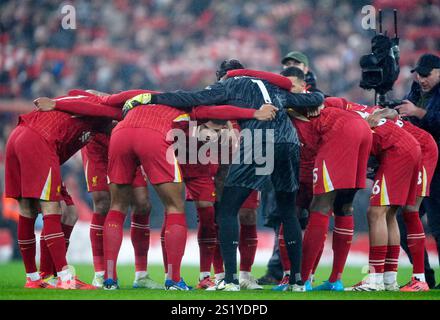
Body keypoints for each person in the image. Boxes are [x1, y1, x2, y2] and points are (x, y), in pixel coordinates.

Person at [123, 59, 325, 291]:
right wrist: (318, 101)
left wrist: (152, 97)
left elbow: (191, 99)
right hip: (288, 141)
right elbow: (312, 98)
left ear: (223, 76)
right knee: (288, 211)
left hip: (258, 141)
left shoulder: (227, 85)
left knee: (227, 209)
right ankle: (297, 281)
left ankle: (229, 280)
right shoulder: (271, 85)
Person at [105, 88, 277, 290]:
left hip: (121, 135)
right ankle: (174, 279)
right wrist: (255, 113)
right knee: (174, 208)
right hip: (157, 140)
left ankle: (108, 279)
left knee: (117, 206)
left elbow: (109, 103)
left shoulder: (145, 97)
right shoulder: (193, 106)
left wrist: (98, 99)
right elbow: (219, 112)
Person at [4, 91, 122, 289]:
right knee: (51, 209)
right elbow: (97, 107)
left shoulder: (89, 118)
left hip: (19, 137)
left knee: (63, 211)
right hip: (38, 140)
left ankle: (36, 278)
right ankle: (65, 278)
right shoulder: (95, 108)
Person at [395, 53, 440, 288]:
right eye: (419, 74)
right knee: (404, 218)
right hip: (420, 164)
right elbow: (407, 111)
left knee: (437, 223)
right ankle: (424, 276)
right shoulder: (416, 90)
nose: (421, 79)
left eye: (426, 74)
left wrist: (417, 112)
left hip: (438, 166)